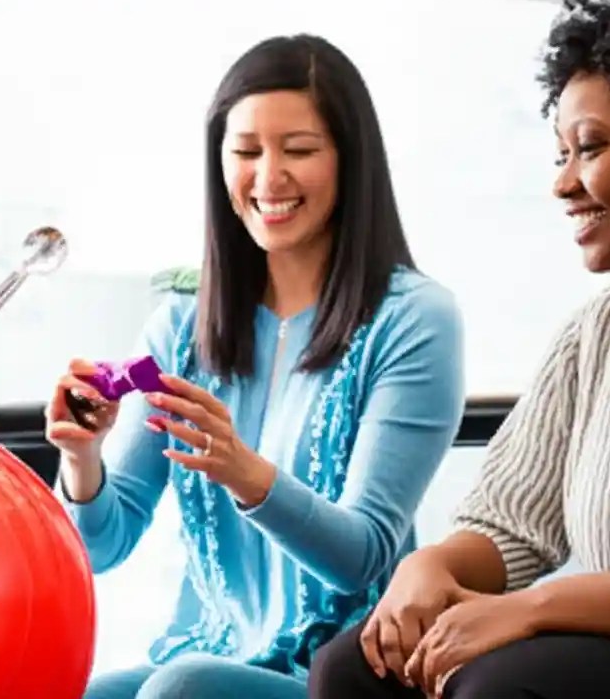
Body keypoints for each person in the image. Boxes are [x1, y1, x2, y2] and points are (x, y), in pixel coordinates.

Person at [308, 0, 610, 697]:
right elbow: (512, 522)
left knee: (503, 683)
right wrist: (434, 568)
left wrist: (534, 609)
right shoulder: (600, 330)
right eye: (559, 153)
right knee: (357, 667)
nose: (563, 185)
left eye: (590, 148)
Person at [46, 34, 466, 698]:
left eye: (298, 150)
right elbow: (101, 548)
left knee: (178, 690)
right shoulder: (181, 326)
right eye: (245, 152)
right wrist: (82, 459)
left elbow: (363, 557)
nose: (268, 178)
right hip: (212, 652)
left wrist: (245, 473)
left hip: (346, 675)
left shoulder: (414, 319)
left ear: (350, 161)